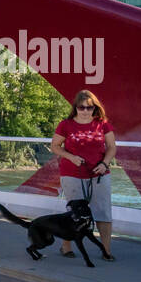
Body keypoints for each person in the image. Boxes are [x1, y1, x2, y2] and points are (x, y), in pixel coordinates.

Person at [51, 89, 116, 260]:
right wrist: (71, 157)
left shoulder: (103, 124)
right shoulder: (65, 124)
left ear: (95, 108)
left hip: (99, 173)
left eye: (89, 107)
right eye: (82, 107)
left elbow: (112, 147)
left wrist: (104, 164)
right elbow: (55, 146)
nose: (85, 111)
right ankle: (66, 247)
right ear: (76, 108)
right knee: (74, 213)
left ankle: (106, 251)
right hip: (72, 173)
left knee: (103, 212)